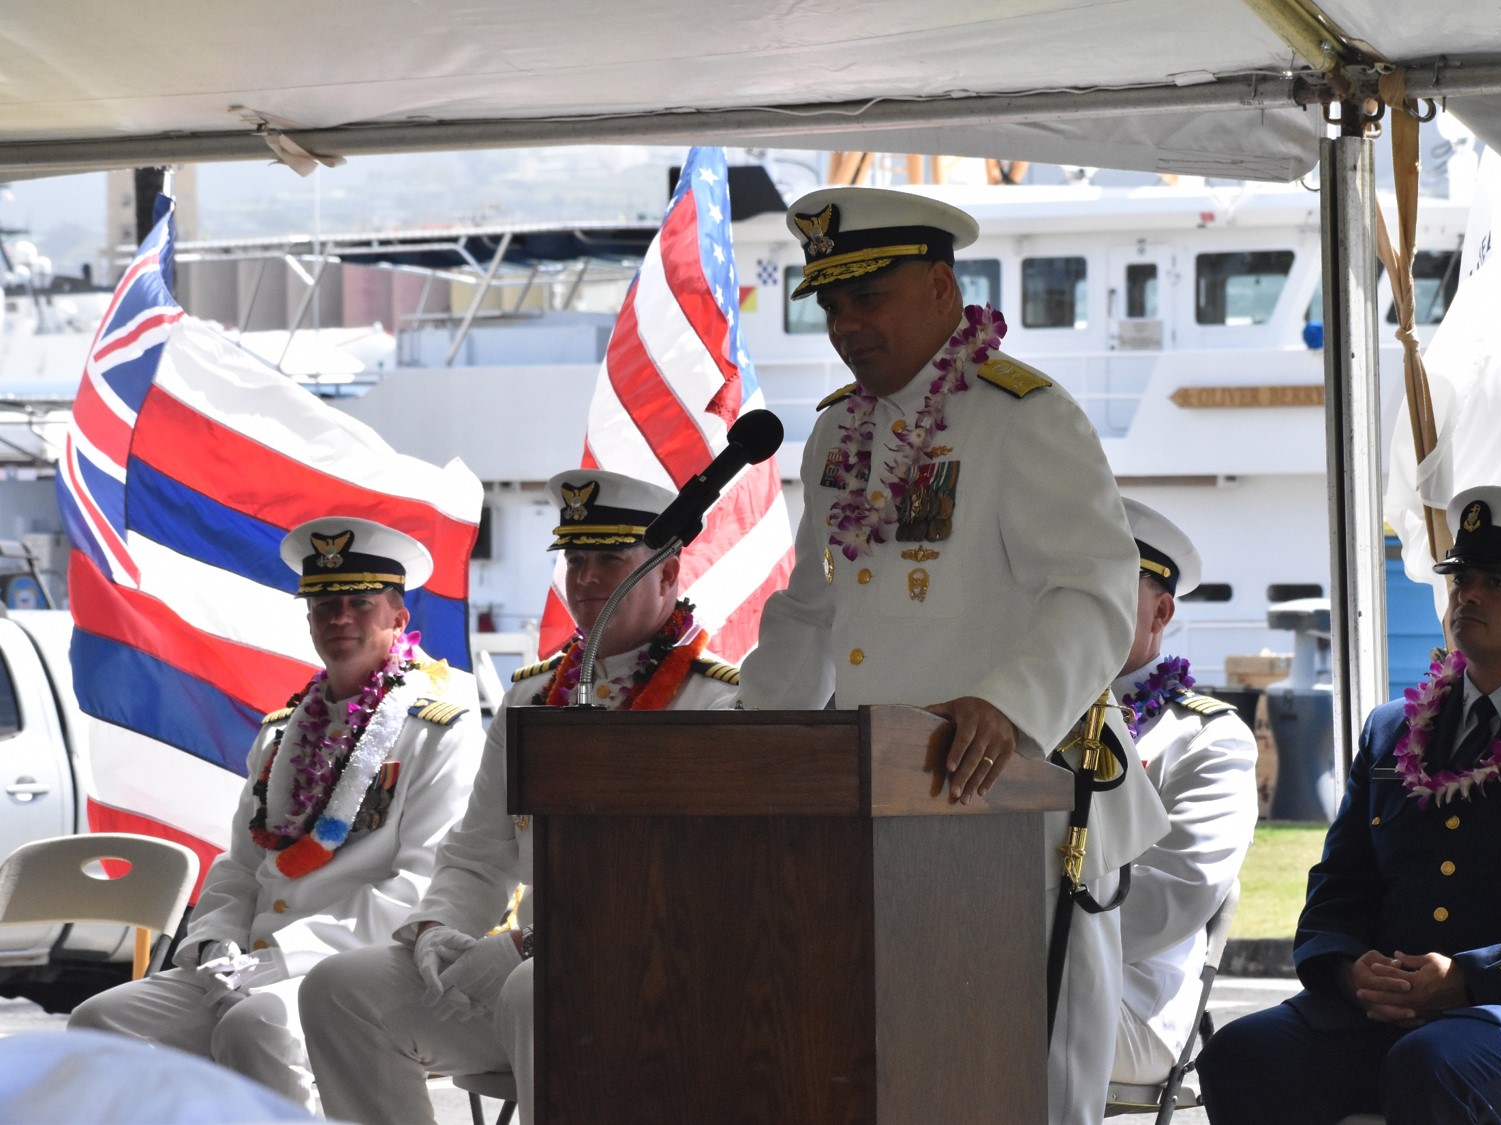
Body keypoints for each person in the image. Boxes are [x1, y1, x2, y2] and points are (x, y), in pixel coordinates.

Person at [737, 185, 1170, 1125]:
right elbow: (812, 616)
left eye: (869, 297)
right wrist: (749, 749)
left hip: (1023, 801)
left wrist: (1004, 707)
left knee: (1029, 1087)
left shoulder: (1023, 413)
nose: (846, 326)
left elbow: (1093, 592)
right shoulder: (838, 433)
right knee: (902, 1082)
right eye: (831, 304)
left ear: (940, 286)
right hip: (885, 812)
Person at [1197, 485, 1501, 1125]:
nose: (1467, 596)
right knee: (1242, 1053)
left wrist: (1467, 979)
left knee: (1431, 1063)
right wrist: (1348, 971)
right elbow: (1339, 883)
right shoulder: (1393, 728)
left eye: (1496, 581)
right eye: (1460, 581)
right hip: (1388, 1010)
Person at [301, 470, 742, 1125]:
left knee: (535, 990)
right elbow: (479, 851)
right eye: (575, 559)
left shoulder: (720, 701)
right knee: (341, 988)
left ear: (668, 572)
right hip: (527, 966)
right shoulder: (533, 697)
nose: (587, 578)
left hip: (665, 976)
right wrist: (439, 930)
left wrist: (528, 946)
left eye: (610, 560)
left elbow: (698, 884)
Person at [68, 517, 480, 1108]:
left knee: (253, 1025)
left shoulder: (437, 731)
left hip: (356, 964)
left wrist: (286, 956)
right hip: (248, 960)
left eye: (359, 603)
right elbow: (239, 866)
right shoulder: (282, 733)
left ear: (398, 618)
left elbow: (420, 882)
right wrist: (215, 943)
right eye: (323, 604)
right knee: (102, 1021)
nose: (339, 618)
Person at [1107, 499, 1257, 1088]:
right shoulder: (1022, 718)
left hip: (1135, 1000)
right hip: (1005, 965)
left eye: (1109, 585)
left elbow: (1174, 895)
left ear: (1161, 610)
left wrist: (1015, 932)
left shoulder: (1206, 737)